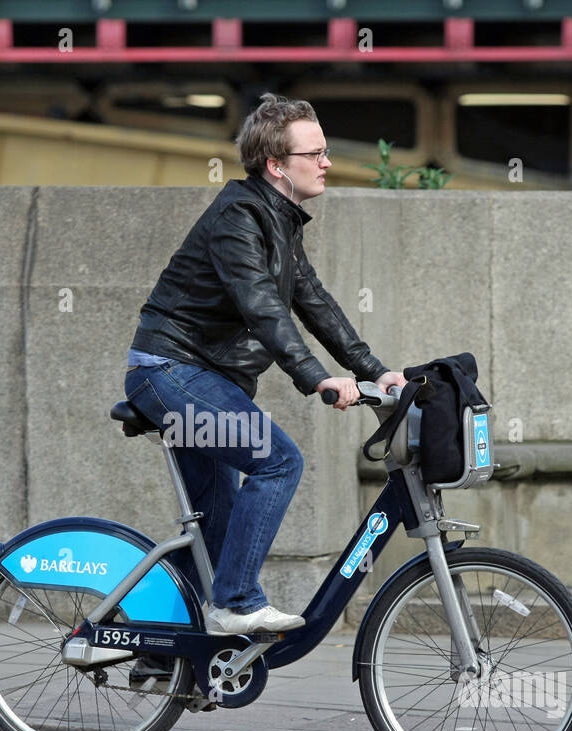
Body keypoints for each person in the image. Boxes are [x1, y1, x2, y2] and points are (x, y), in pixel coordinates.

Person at [123, 92, 406, 642]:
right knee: (277, 462)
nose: (327, 162)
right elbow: (261, 305)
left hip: (201, 379)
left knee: (213, 527)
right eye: (315, 153)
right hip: (169, 371)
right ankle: (235, 603)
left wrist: (374, 370)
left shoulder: (280, 220)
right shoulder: (238, 217)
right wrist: (316, 376)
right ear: (278, 165)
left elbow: (313, 300)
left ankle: (170, 657)